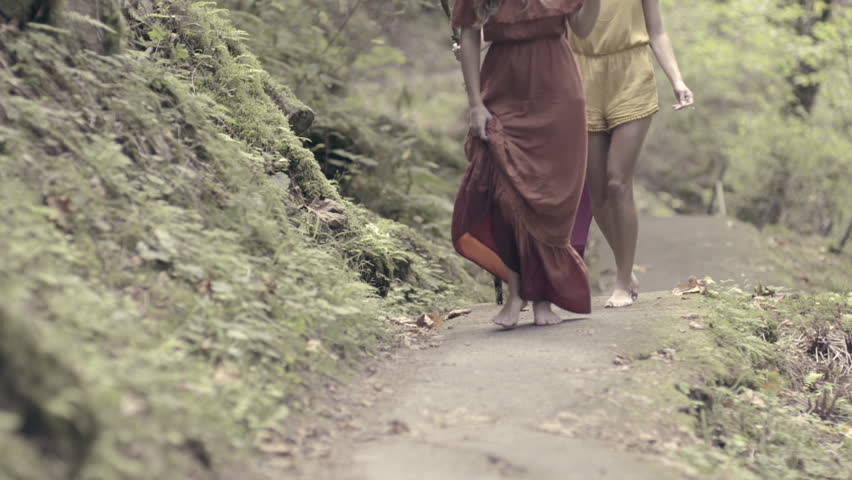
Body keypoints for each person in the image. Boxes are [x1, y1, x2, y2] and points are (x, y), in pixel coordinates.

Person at [450, 0, 601, 328]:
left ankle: (543, 299)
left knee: (546, 194)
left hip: (557, 89)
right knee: (502, 189)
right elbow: (469, 34)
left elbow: (582, 28)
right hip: (502, 84)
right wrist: (475, 104)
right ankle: (517, 291)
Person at [568, 0, 693, 308]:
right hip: (583, 75)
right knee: (597, 190)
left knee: (617, 181)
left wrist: (677, 80)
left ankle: (622, 280)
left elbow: (657, 31)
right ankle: (624, 265)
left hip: (631, 74)